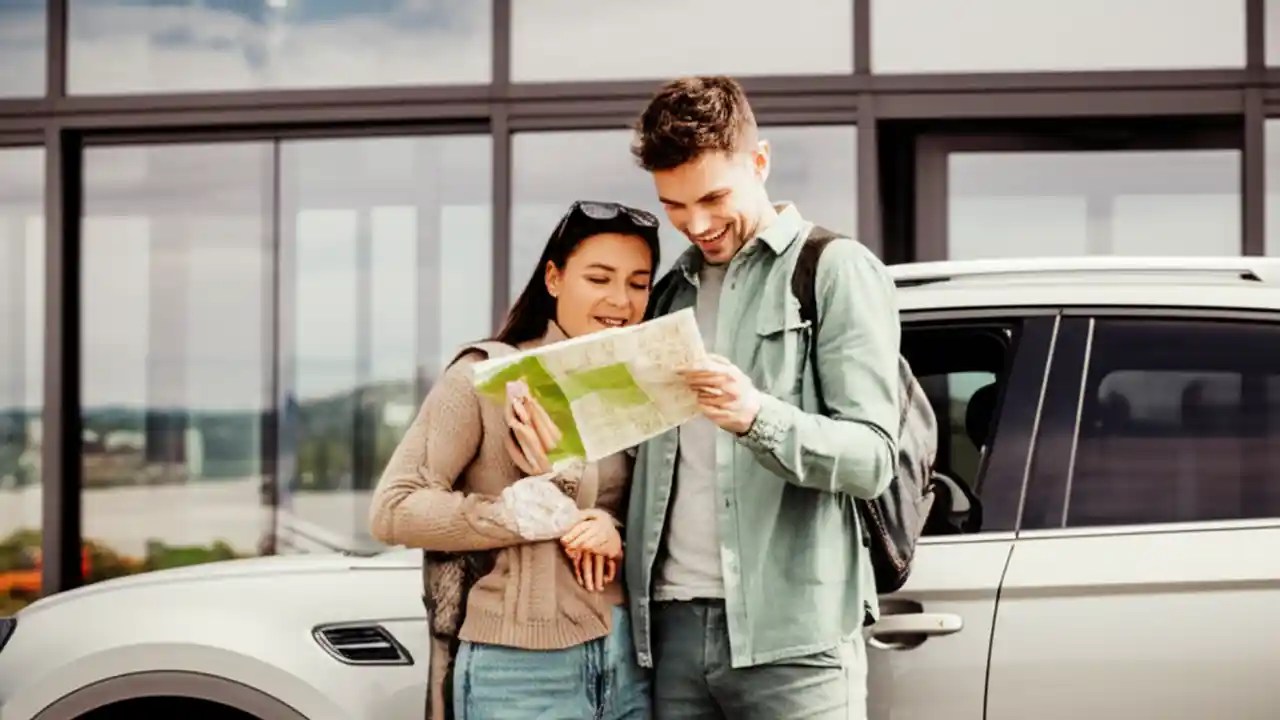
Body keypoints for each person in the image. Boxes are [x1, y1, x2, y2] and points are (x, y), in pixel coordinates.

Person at [624, 76, 902, 719]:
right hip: (671, 635)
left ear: (760, 161)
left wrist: (757, 417)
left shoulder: (834, 270)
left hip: (795, 641)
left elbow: (872, 459)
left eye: (714, 197)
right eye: (674, 205)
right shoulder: (670, 294)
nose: (696, 223)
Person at [368, 200, 661, 720]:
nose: (621, 300)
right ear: (553, 278)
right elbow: (393, 508)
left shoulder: (640, 388)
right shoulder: (484, 378)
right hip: (519, 671)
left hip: (628, 663)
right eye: (599, 278)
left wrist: (614, 527)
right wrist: (513, 515)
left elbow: (658, 514)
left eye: (638, 283)